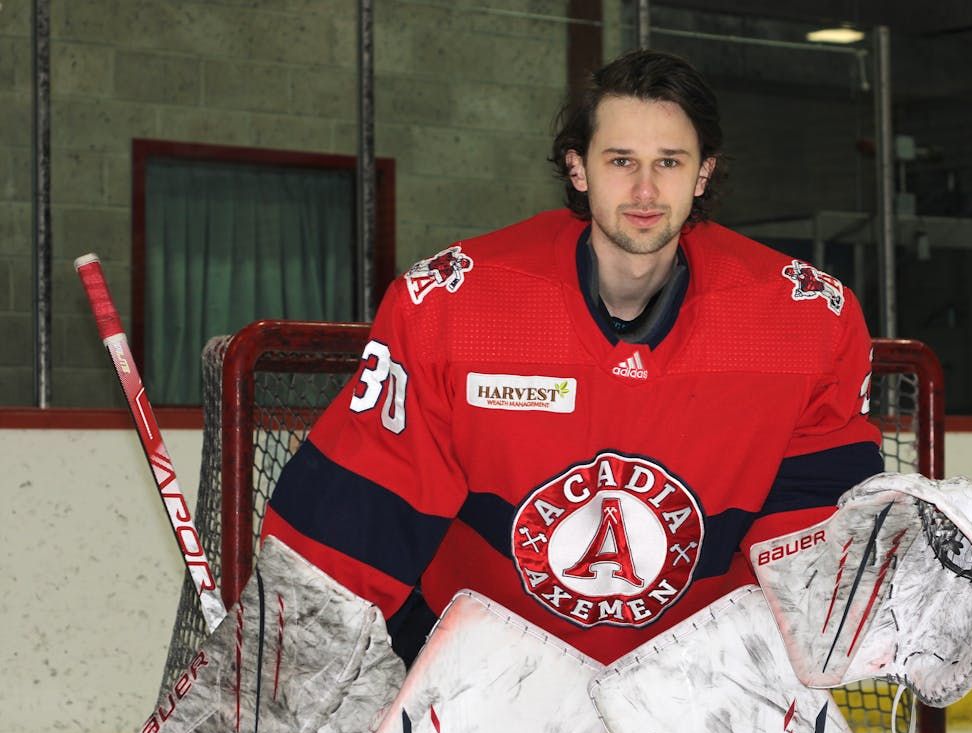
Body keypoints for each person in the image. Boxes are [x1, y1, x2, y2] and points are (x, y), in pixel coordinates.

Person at [261, 48, 883, 667]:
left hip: (702, 672)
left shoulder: (805, 319)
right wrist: (290, 649)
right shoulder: (451, 307)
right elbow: (358, 515)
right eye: (620, 161)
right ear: (578, 168)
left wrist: (875, 583)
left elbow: (812, 532)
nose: (645, 189)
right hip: (483, 666)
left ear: (702, 174)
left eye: (669, 162)